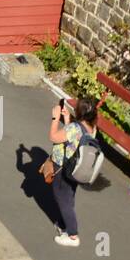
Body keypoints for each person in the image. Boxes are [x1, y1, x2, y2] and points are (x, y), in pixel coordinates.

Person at [48, 97, 100, 247]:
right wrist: (66, 118)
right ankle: (64, 224)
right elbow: (74, 137)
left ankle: (72, 235)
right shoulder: (91, 128)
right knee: (68, 196)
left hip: (63, 167)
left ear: (79, 112)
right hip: (77, 168)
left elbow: (54, 137)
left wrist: (55, 118)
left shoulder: (73, 128)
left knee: (62, 199)